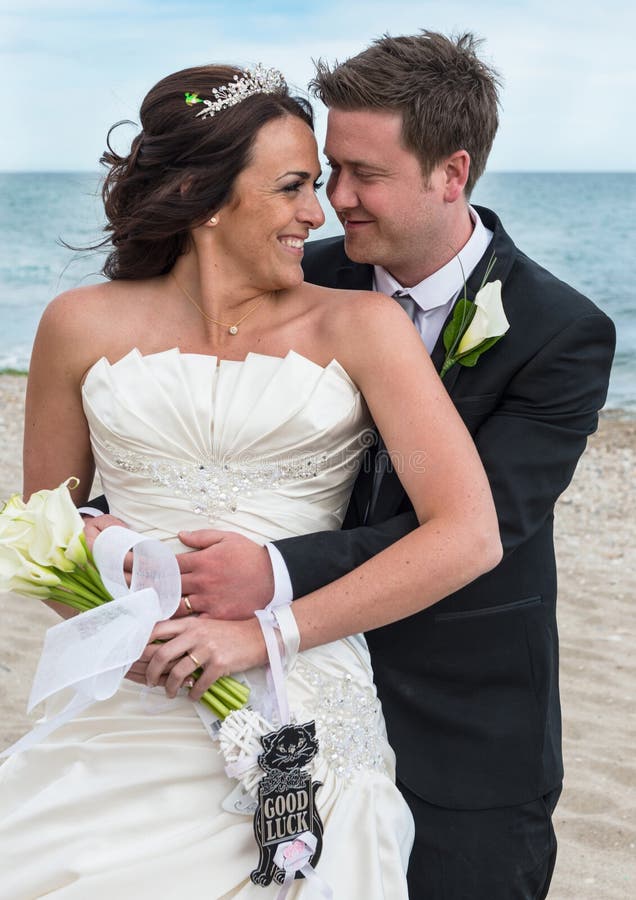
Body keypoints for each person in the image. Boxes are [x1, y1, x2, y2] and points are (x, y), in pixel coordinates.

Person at [123, 34, 616, 899]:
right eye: (323, 173)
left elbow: (480, 525)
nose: (333, 201)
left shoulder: (559, 332)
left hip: (461, 716)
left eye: (363, 174)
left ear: (451, 173)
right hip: (278, 697)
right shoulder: (294, 278)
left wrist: (269, 573)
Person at [0, 62, 502, 898]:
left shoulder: (363, 327)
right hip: (134, 693)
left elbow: (468, 534)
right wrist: (114, 623)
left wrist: (263, 637)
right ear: (203, 192)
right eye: (295, 186)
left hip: (301, 686)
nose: (321, 210)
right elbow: (41, 525)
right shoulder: (77, 325)